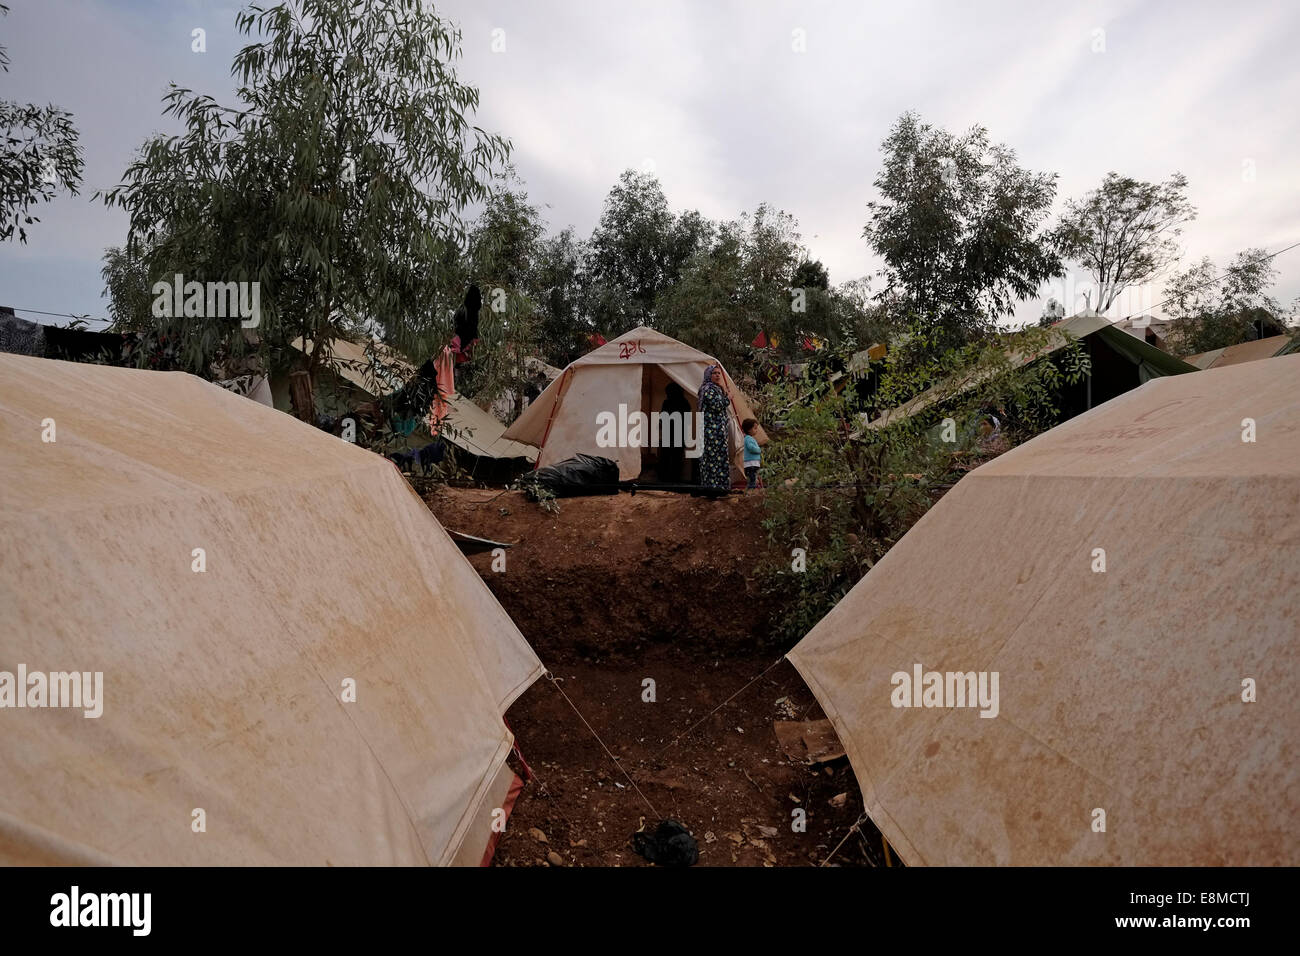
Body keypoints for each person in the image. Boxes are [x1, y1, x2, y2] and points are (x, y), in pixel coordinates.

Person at [697, 364, 731, 494]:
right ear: (708, 375)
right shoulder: (707, 389)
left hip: (718, 431)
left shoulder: (716, 389)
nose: (717, 375)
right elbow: (716, 406)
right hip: (711, 431)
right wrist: (727, 399)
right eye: (714, 373)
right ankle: (712, 488)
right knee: (712, 459)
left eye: (718, 373)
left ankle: (720, 487)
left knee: (719, 457)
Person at [657, 382, 692, 482]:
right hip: (678, 433)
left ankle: (665, 479)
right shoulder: (685, 403)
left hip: (671, 433)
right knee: (676, 458)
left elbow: (662, 418)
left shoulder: (667, 402)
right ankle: (675, 479)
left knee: (667, 457)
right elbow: (688, 421)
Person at [741, 418, 762, 490]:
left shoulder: (750, 438)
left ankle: (750, 492)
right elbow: (751, 448)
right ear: (749, 429)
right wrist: (759, 450)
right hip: (751, 464)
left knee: (753, 479)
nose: (756, 430)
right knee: (752, 480)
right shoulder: (748, 438)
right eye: (755, 428)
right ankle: (750, 493)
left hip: (753, 464)